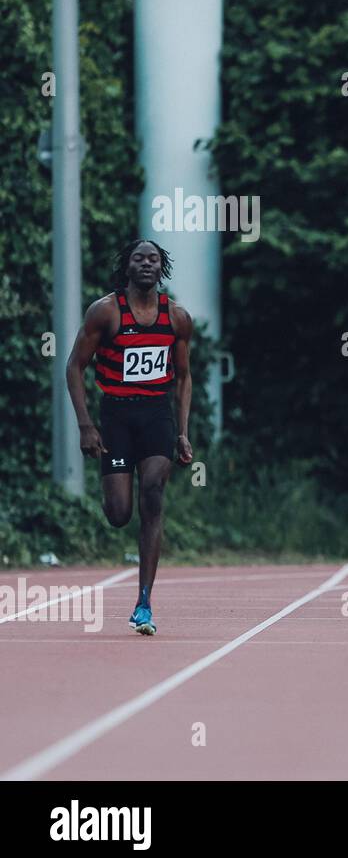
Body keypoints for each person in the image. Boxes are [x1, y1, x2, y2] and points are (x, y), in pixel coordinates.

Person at [66, 240, 194, 635]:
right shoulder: (105, 312)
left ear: (162, 268)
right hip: (117, 416)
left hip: (156, 414)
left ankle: (143, 602)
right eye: (139, 258)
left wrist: (183, 433)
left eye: (153, 259)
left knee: (153, 493)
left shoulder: (176, 318)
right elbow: (74, 367)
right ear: (128, 267)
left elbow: (185, 377)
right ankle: (118, 507)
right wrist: (86, 425)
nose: (146, 264)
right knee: (120, 514)